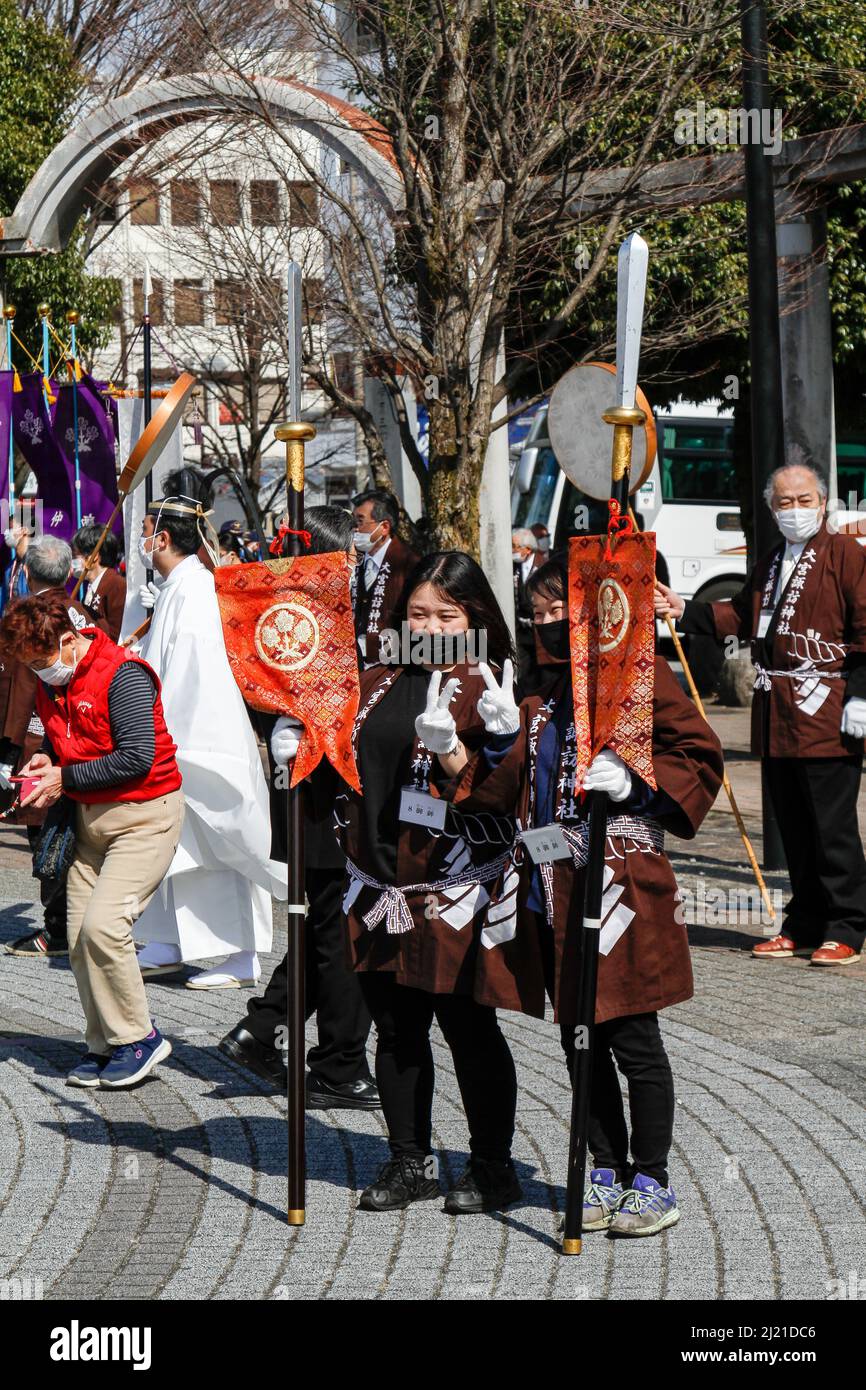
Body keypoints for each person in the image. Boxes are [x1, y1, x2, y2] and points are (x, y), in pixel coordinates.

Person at [451, 555, 724, 1236]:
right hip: (552, 885)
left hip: (623, 881)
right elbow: (508, 787)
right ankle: (602, 1163)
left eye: (559, 613)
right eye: (537, 614)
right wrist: (495, 742)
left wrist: (637, 781)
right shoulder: (538, 695)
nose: (547, 626)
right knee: (581, 1036)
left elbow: (699, 751)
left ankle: (652, 1177)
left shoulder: (638, 678)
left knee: (633, 1034)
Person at [305, 551, 540, 1214]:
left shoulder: (489, 682)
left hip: (454, 881)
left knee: (468, 1026)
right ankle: (409, 1160)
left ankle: (493, 1166)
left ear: (474, 616)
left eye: (447, 613)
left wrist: (464, 751)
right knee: (396, 1026)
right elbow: (347, 758)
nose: (430, 624)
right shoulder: (378, 674)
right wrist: (299, 743)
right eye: (417, 612)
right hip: (377, 877)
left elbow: (502, 793)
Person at [655, 458, 866, 966]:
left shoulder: (846, 556)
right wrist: (686, 609)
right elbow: (744, 613)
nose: (795, 510)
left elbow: (865, 625)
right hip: (778, 713)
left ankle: (847, 925)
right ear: (772, 509)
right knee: (792, 824)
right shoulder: (773, 561)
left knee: (830, 824)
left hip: (828, 707)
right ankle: (804, 921)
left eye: (805, 500)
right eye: (785, 502)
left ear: (823, 503)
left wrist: (861, 693)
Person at [220, 507, 379, 1109]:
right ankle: (338, 1060)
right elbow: (260, 685)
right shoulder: (297, 614)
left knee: (322, 929)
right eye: (352, 557)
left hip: (322, 791)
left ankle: (261, 1031)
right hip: (320, 794)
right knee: (340, 933)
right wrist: (276, 726)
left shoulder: (342, 614)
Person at [0, 592, 184, 1088]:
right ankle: (105, 1043)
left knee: (105, 926)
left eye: (41, 661)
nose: (39, 673)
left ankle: (140, 1038)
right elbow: (64, 748)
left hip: (145, 816)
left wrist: (65, 777)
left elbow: (135, 758)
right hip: (90, 820)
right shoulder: (50, 681)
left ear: (68, 640)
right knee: (79, 936)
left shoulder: (122, 673)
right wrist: (46, 765)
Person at [132, 468, 286, 988]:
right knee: (170, 848)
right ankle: (166, 941)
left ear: (166, 537)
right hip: (174, 732)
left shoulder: (194, 588)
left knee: (217, 845)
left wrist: (163, 734)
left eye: (149, 529)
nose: (143, 540)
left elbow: (193, 672)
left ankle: (239, 954)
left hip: (198, 735)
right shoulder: (176, 586)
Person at [1, 536, 107, 958]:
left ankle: (59, 926)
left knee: (47, 835)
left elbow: (18, 684)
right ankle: (67, 921)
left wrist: (9, 748)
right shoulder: (79, 613)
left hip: (40, 737)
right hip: (77, 736)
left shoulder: (32, 616)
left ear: (26, 572)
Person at [351, 489, 419, 659]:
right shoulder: (355, 560)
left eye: (360, 521)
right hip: (357, 658)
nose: (355, 529)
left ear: (384, 527)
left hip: (393, 659)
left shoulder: (408, 564)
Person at [71, 523, 126, 641]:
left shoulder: (117, 585)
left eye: (76, 555)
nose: (73, 561)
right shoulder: (91, 586)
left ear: (94, 557)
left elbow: (116, 634)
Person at [511, 527, 541, 697]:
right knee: (523, 667)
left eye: (515, 546)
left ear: (527, 549)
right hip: (521, 629)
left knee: (541, 670)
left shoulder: (542, 564)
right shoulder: (513, 567)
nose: (512, 551)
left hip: (538, 628)